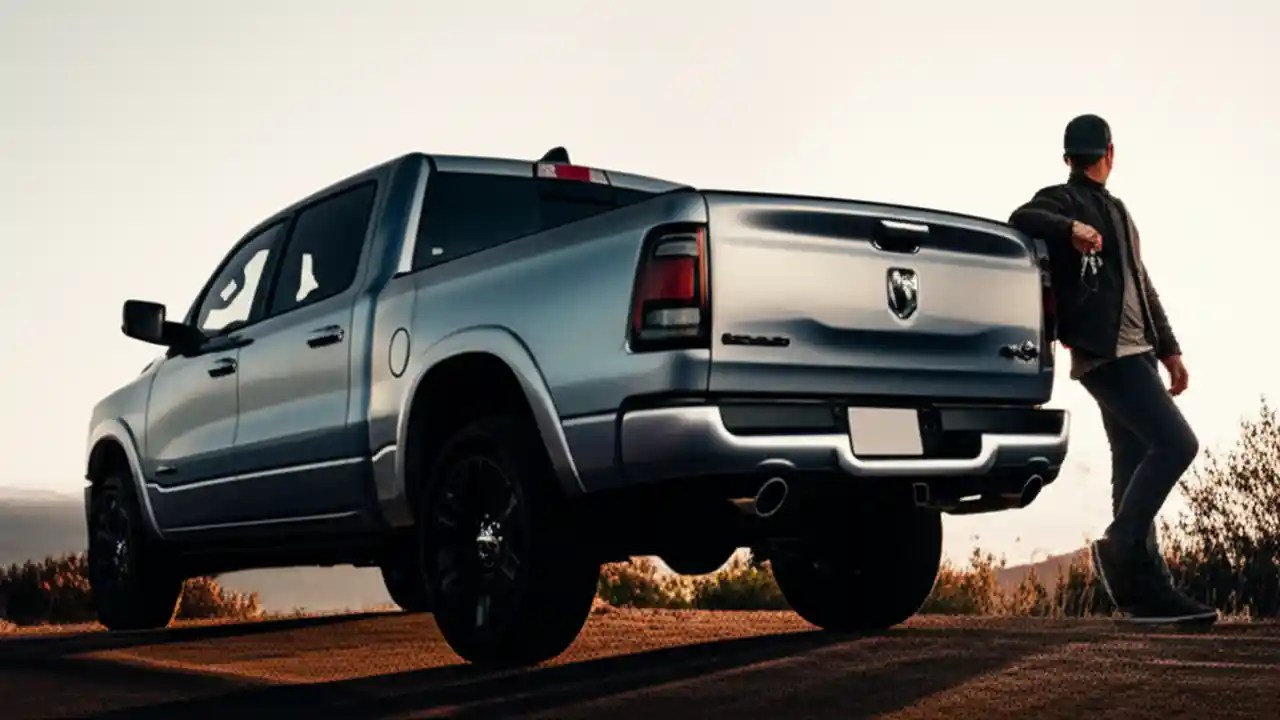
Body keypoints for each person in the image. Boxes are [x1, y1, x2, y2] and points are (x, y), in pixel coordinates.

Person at [1008, 114, 1217, 624]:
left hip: (1137, 351)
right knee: (1177, 444)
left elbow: (1142, 286)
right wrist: (1070, 228)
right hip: (1107, 354)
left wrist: (1169, 349)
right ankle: (1123, 545)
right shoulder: (1063, 198)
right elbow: (1021, 216)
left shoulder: (1119, 212)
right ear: (1110, 153)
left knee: (1133, 457)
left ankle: (1145, 592)